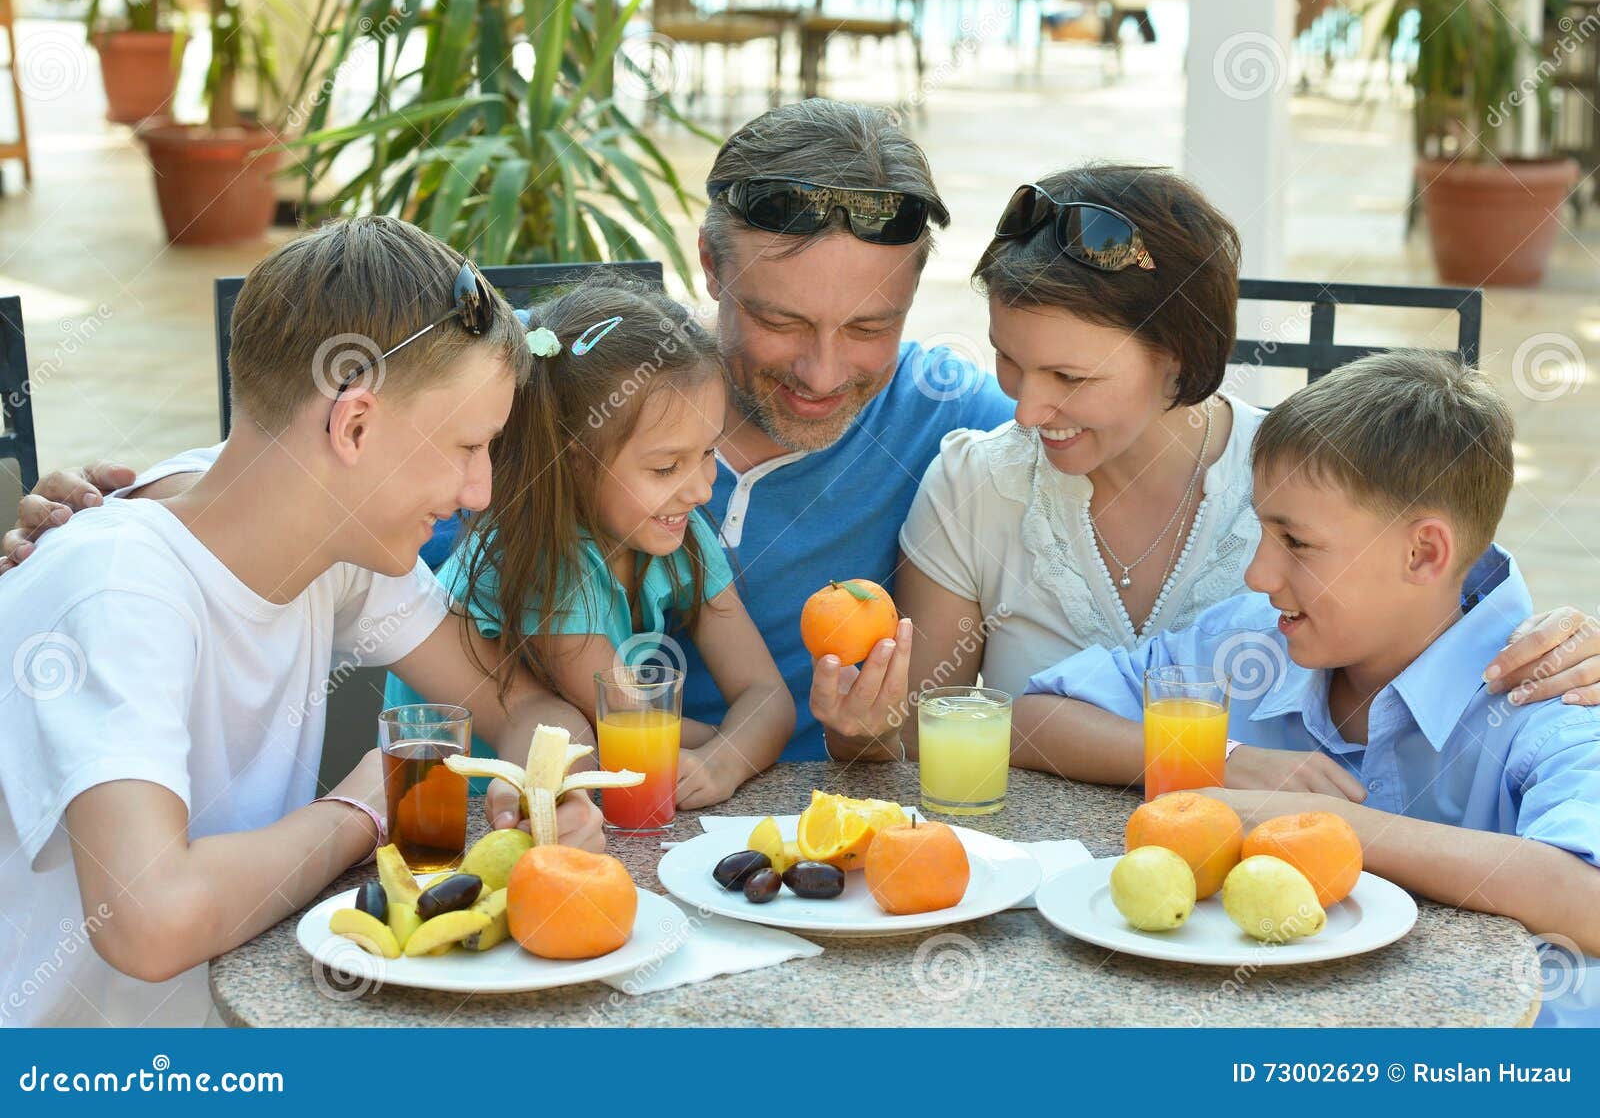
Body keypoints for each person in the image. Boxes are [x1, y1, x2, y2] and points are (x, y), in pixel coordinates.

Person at [9, 100, 1600, 753]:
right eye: (776, 317)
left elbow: (1390, 529)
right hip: (552, 802)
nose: (825, 368)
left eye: (872, 327)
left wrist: (1537, 625)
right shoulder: (574, 386)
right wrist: (126, 498)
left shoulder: (967, 429)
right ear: (701, 266)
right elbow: (346, 460)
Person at [0, 217, 600, 1028]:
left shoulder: (334, 535)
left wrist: (547, 793)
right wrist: (367, 806)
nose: (479, 491)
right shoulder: (120, 589)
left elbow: (523, 706)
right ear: (352, 424)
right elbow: (150, 920)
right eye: (468, 444)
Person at [892, 164, 1600, 788]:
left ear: (1176, 355)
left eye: (1069, 376)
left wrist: (1571, 645)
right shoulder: (978, 482)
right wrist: (1208, 757)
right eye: (1008, 358)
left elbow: (1457, 608)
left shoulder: (1309, 482)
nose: (1025, 408)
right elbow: (923, 738)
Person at [1022, 349, 1599, 1025]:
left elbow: (1585, 896)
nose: (1259, 574)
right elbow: (1037, 717)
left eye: (1296, 542)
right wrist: (1233, 763)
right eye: (1261, 530)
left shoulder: (1555, 690)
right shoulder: (1255, 642)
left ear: (1424, 553)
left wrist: (1330, 828)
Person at [384, 279, 794, 809]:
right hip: (460, 809)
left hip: (564, 794)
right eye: (666, 466)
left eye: (710, 451)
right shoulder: (547, 556)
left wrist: (727, 760)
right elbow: (625, 726)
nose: (700, 488)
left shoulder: (678, 526)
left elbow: (767, 695)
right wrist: (738, 747)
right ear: (574, 460)